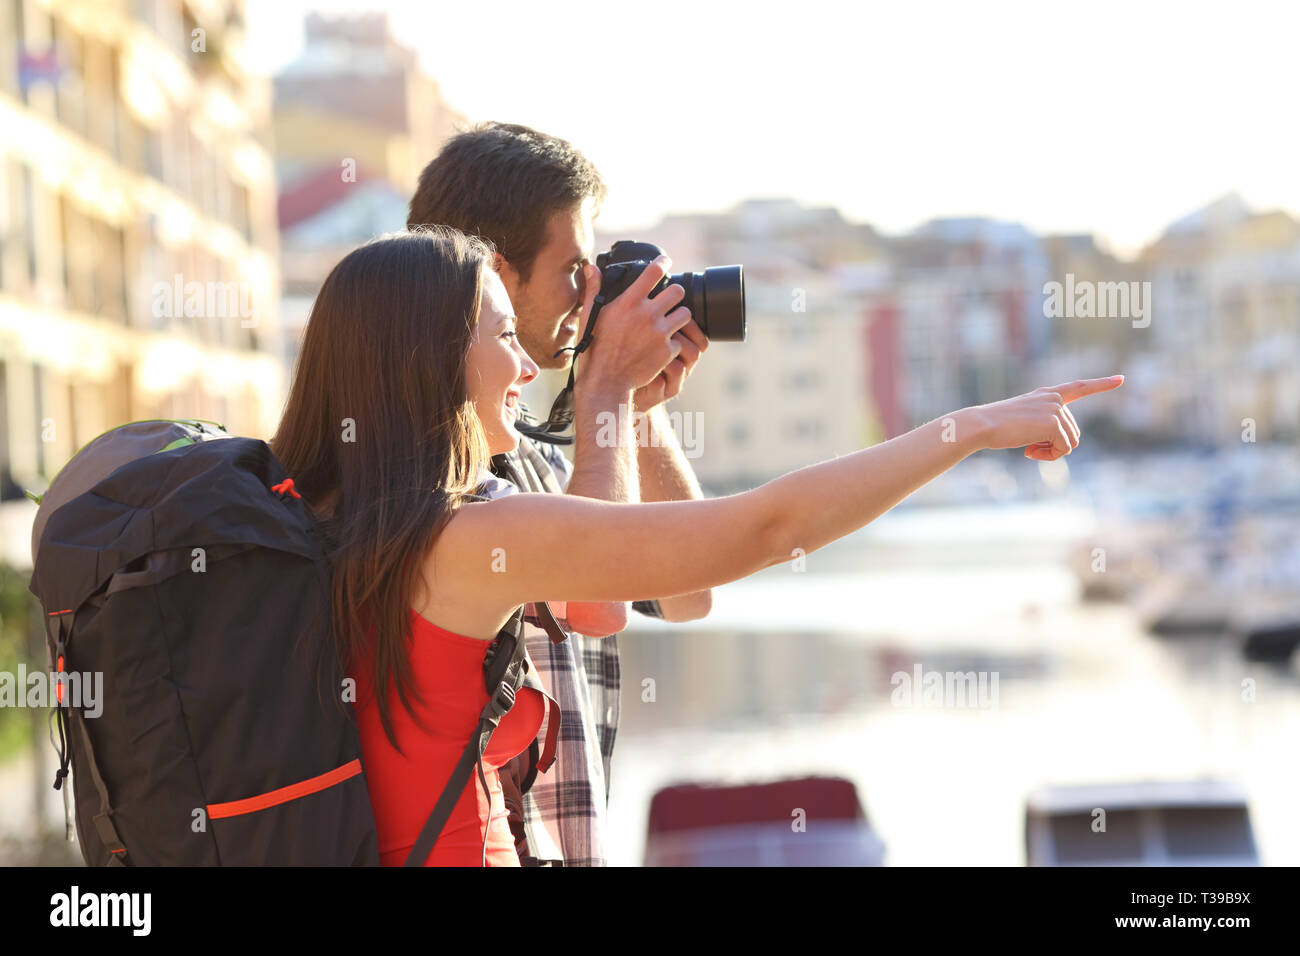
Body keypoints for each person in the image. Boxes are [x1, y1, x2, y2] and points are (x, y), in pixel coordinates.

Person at [270, 227, 1123, 865]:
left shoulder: (314, 517)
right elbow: (768, 528)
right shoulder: (467, 535)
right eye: (502, 339)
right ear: (430, 359)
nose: (531, 369)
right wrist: (970, 429)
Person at [406, 122, 713, 865]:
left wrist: (635, 404)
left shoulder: (533, 456)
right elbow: (600, 603)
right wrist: (606, 383)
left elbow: (687, 593)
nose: (593, 292)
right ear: (496, 275)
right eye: (576, 267)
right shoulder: (422, 475)